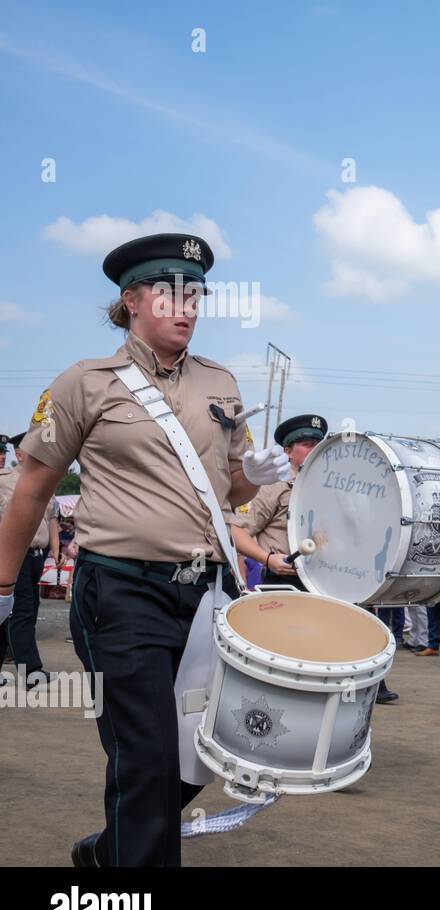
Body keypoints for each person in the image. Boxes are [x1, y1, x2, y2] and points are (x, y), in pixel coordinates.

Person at [0, 233, 290, 866]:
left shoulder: (221, 382)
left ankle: (110, 852)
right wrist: (1, 587)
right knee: (149, 753)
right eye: (169, 292)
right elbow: (32, 489)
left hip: (205, 597)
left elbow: (230, 486)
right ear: (130, 300)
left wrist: (257, 475)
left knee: (204, 750)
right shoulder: (84, 383)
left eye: (196, 295)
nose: (186, 306)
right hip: (120, 592)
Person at [231, 413, 326, 588]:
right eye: (307, 445)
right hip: (280, 582)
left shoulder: (326, 487)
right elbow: (235, 531)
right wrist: (268, 559)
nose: (315, 449)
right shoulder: (274, 484)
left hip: (319, 582)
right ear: (287, 451)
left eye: (318, 445)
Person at [0, 431, 60, 688]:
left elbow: (52, 519)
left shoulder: (45, 480)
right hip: (16, 554)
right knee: (22, 611)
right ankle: (31, 671)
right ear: (19, 453)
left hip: (37, 555)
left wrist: (56, 550)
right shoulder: (5, 481)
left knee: (20, 611)